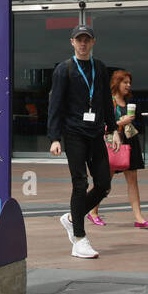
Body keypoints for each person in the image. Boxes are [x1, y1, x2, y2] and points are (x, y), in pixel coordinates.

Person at [48, 25, 119, 259]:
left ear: (93, 42)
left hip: (96, 132)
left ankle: (71, 218)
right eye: (79, 40)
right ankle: (79, 238)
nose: (83, 44)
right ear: (72, 42)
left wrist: (114, 129)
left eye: (86, 40)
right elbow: (55, 105)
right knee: (79, 183)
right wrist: (55, 138)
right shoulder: (64, 69)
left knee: (103, 184)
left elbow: (106, 101)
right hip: (74, 133)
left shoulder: (99, 67)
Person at [88, 70, 148, 228]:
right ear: (117, 83)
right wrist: (121, 123)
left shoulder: (129, 102)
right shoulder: (110, 102)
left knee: (133, 181)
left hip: (130, 142)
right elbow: (104, 125)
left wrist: (129, 121)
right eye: (125, 82)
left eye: (129, 82)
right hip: (114, 143)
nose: (128, 85)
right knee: (105, 181)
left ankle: (139, 218)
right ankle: (93, 211)